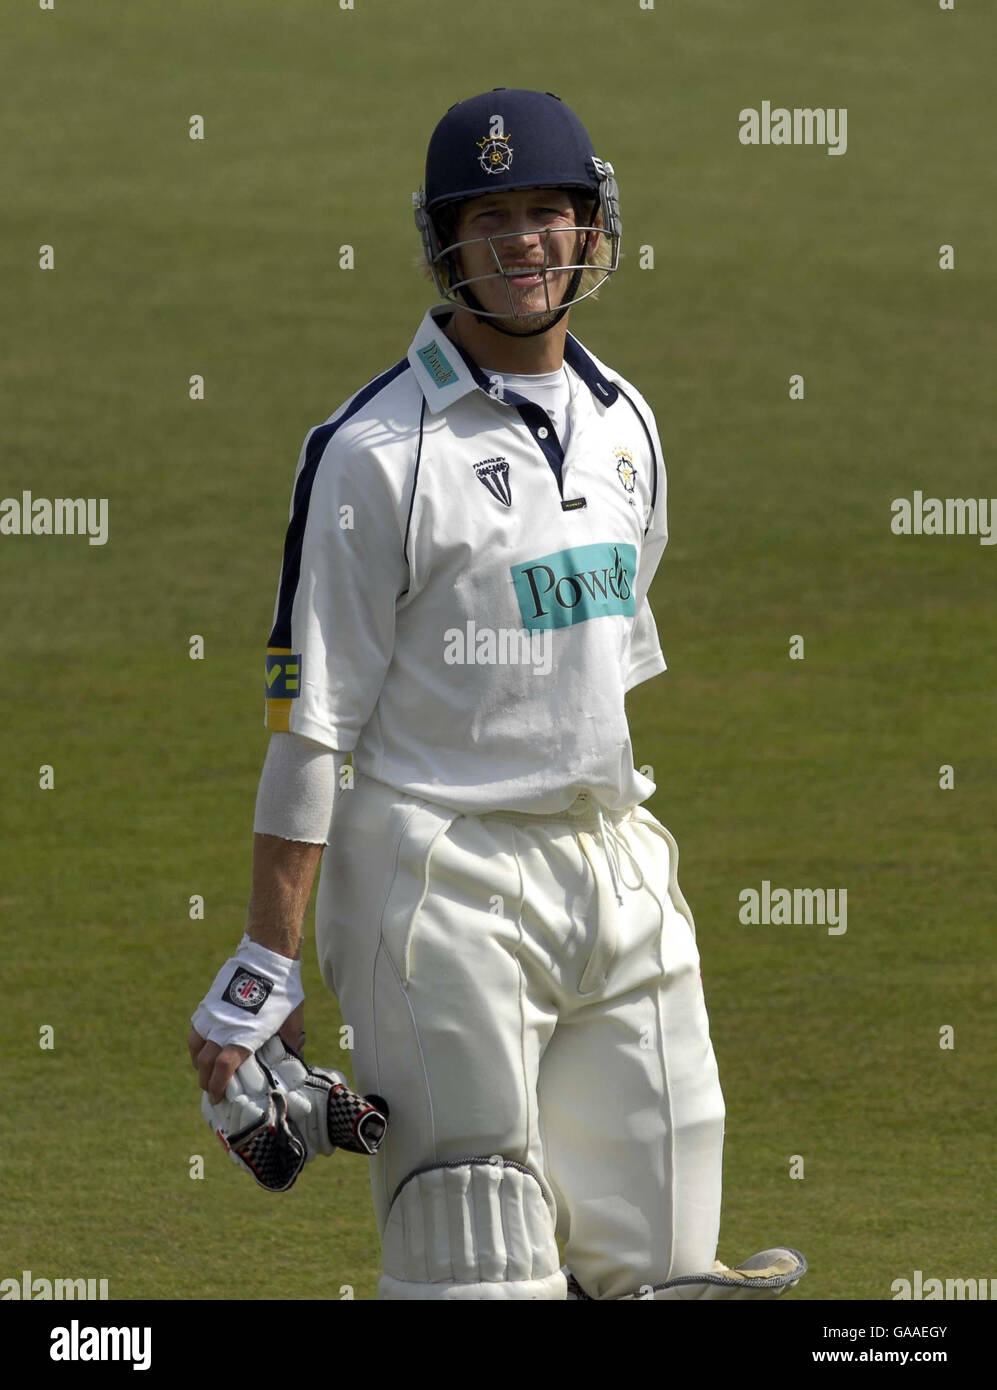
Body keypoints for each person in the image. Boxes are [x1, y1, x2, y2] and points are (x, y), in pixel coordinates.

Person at [188, 88, 806, 1301]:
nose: (523, 242)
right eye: (491, 219)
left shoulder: (629, 427)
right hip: (439, 881)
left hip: (614, 865)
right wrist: (266, 964)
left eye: (546, 212)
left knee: (666, 1264)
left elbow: (603, 666)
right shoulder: (374, 453)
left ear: (591, 228)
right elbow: (313, 728)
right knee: (472, 1253)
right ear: (446, 244)